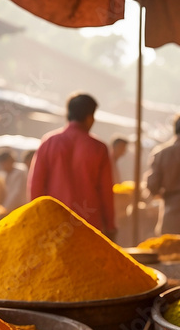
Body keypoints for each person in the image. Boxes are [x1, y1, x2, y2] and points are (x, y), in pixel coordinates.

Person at [29, 93, 116, 237]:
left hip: (54, 224)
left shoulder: (48, 142)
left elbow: (35, 187)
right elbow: (106, 192)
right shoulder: (99, 148)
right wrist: (110, 226)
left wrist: (38, 221)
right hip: (89, 227)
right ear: (89, 117)